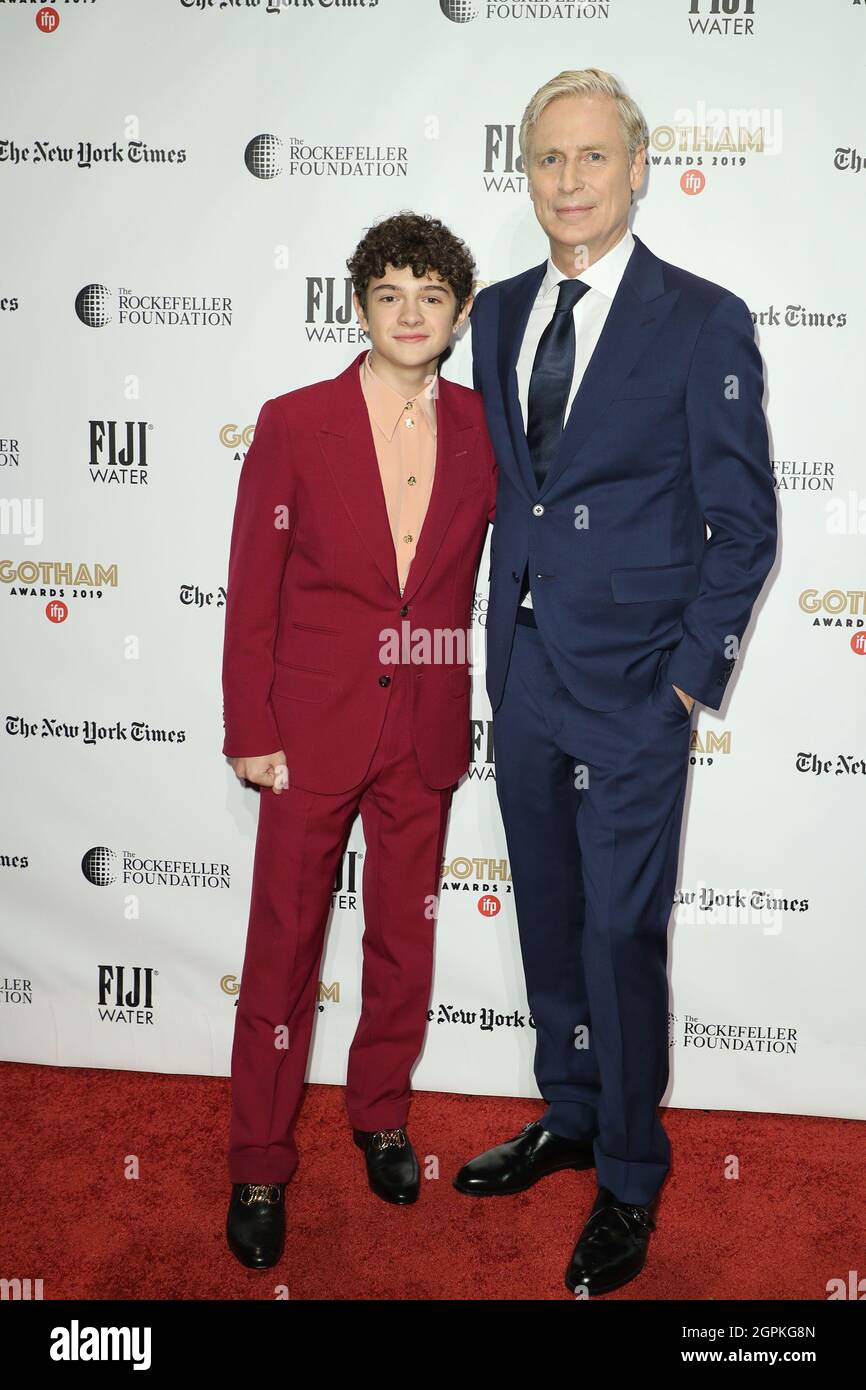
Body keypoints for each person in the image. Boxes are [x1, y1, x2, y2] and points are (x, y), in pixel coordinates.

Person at [453, 68, 778, 1296]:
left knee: (618, 932)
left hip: (639, 686)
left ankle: (631, 1175)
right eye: (547, 160)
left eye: (593, 158)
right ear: (524, 173)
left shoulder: (700, 318)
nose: (569, 182)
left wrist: (687, 684)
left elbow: (742, 523)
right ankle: (572, 1111)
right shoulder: (492, 316)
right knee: (547, 915)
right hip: (525, 675)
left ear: (637, 167)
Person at [221, 211, 496, 1269]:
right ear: (359, 306)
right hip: (306, 731)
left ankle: (380, 1115)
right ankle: (258, 1159)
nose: (411, 313)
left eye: (432, 296)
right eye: (390, 294)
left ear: (459, 314)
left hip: (423, 725)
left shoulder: (481, 426)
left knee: (402, 941)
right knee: (280, 953)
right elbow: (253, 585)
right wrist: (252, 724)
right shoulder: (293, 422)